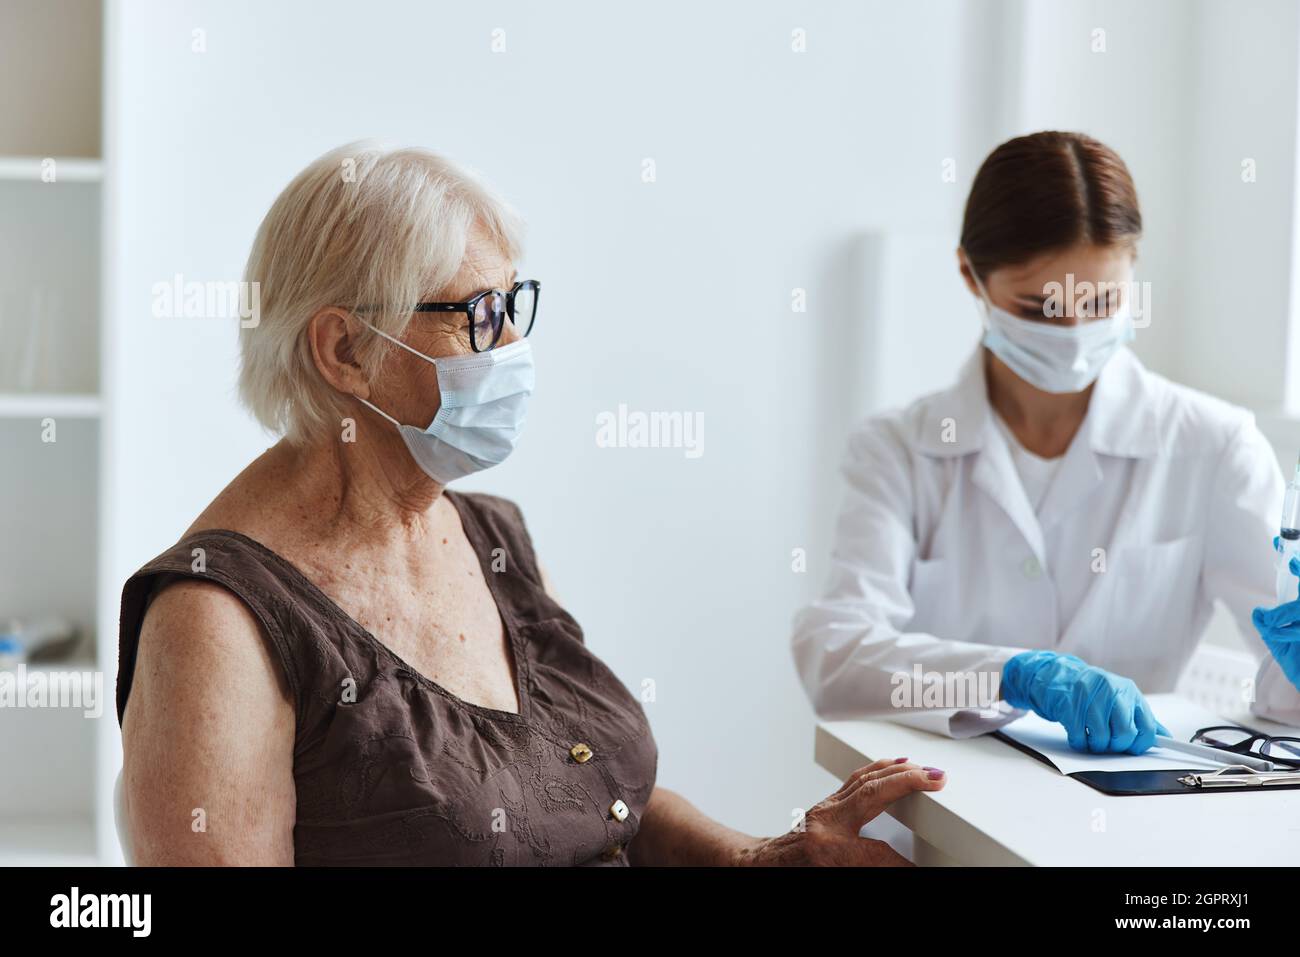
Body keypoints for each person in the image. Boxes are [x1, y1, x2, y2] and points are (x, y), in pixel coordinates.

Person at [116, 142, 946, 867]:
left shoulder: (488, 534)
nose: (513, 346)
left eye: (514, 305)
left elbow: (583, 796)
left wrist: (762, 857)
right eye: (478, 315)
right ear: (344, 350)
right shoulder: (215, 620)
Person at [792, 131, 1300, 754]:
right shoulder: (900, 449)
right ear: (970, 277)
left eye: (1102, 301)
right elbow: (835, 657)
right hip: (940, 816)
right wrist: (1009, 676)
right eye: (1039, 309)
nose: (1074, 333)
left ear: (1133, 269)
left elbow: (1286, 700)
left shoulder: (1214, 445)